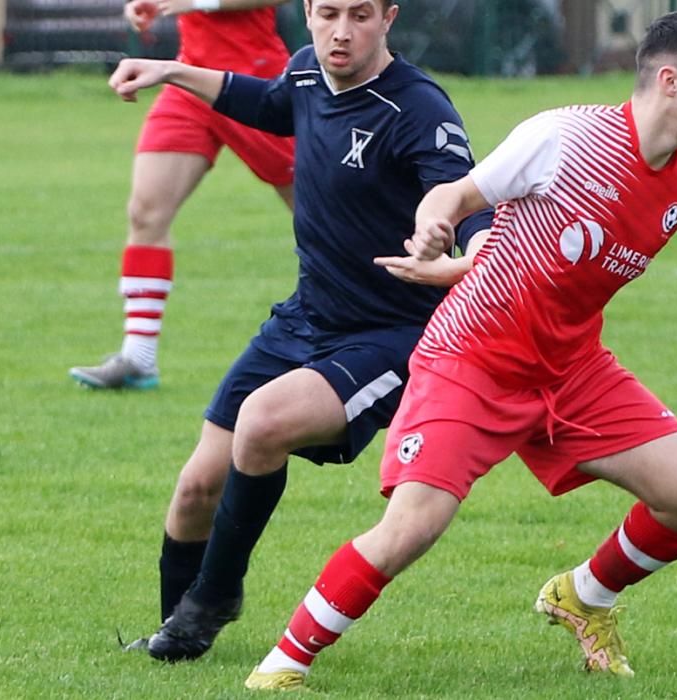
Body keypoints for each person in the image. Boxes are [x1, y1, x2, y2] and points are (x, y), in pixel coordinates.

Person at [241, 12, 677, 690]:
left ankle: (584, 598)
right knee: (411, 528)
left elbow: (552, 267)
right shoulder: (567, 137)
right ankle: (281, 667)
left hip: (568, 370)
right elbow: (456, 192)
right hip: (472, 360)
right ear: (670, 80)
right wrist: (433, 229)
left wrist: (459, 270)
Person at [104, 0, 493, 662]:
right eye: (330, 13)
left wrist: (463, 260)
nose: (343, 31)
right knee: (198, 486)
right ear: (308, 13)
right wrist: (173, 70)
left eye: (361, 15)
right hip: (307, 316)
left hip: (394, 333)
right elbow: (264, 102)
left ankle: (214, 601)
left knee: (262, 424)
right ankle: (177, 633)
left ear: (389, 18)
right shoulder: (309, 72)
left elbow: (471, 201)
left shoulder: (418, 107)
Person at [69, 0, 297, 390]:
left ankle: (399, 324)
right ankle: (138, 358)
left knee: (325, 216)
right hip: (189, 80)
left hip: (255, 80)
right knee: (145, 213)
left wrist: (198, 2)